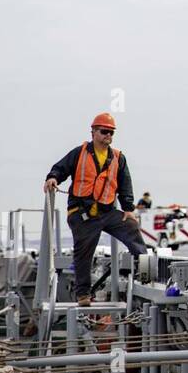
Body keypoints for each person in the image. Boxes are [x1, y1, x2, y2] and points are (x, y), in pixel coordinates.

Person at [42, 112, 147, 306]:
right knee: (84, 253)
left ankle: (146, 268)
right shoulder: (79, 152)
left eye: (111, 133)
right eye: (104, 131)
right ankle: (83, 295)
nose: (108, 135)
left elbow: (125, 183)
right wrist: (53, 177)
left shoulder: (117, 157)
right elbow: (60, 168)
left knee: (131, 226)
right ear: (93, 132)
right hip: (82, 214)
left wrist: (128, 208)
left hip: (107, 212)